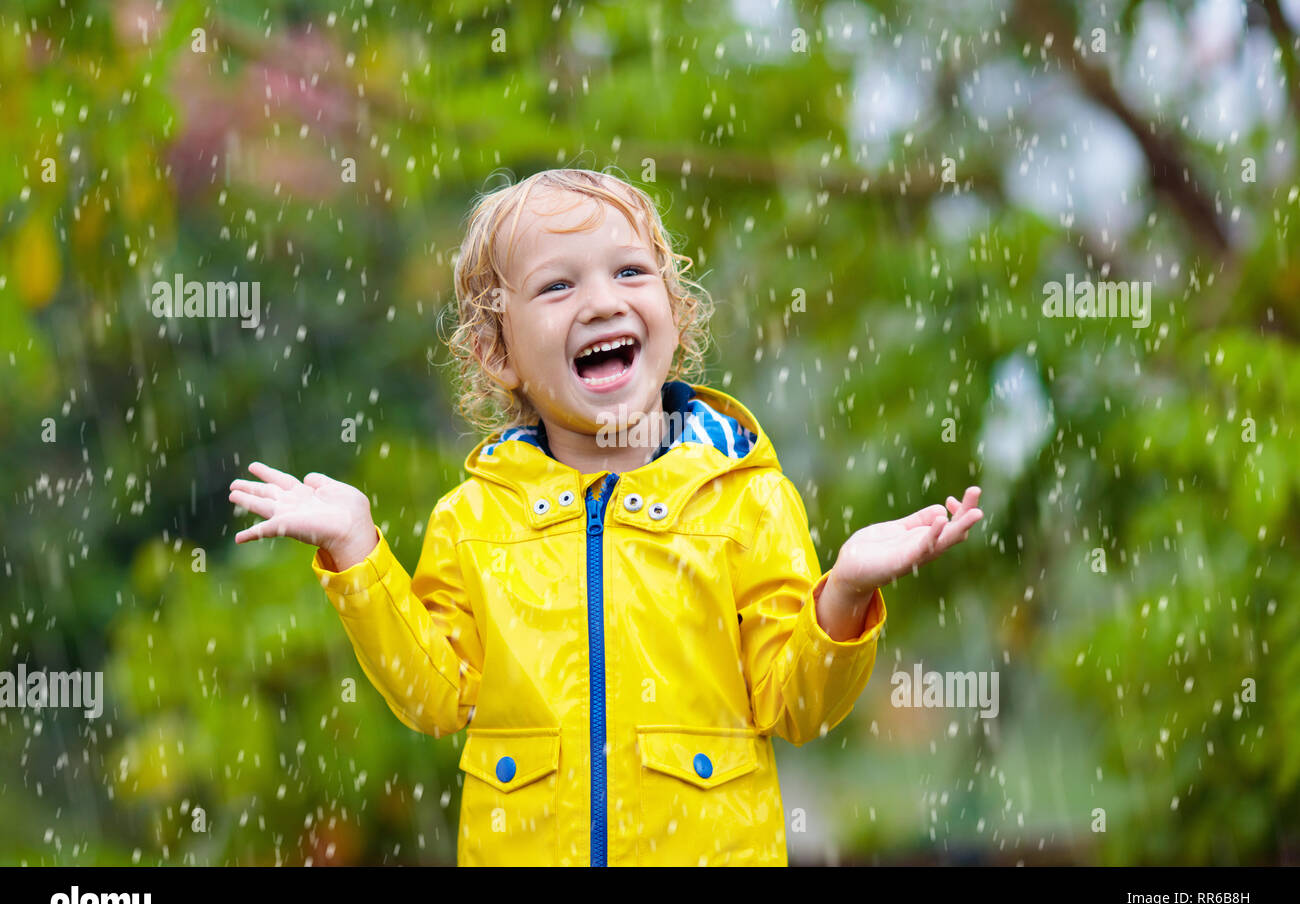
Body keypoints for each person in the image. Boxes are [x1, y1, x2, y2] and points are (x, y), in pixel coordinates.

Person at [228, 168, 984, 866]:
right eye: (557, 287)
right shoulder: (475, 519)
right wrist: (359, 550)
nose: (601, 302)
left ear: (674, 313)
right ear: (498, 352)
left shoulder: (746, 498)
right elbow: (433, 696)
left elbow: (799, 706)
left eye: (629, 272)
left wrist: (845, 593)